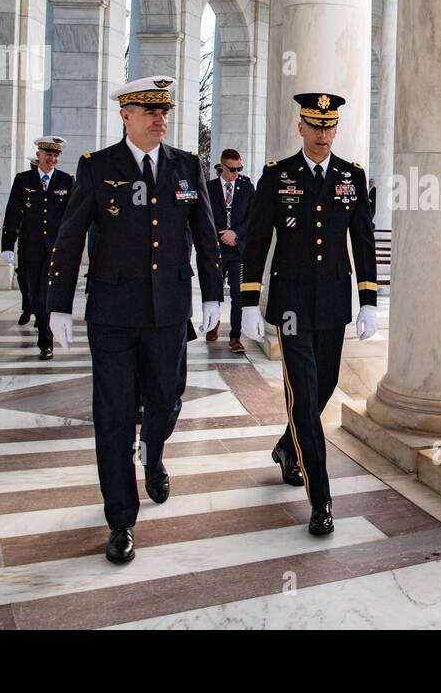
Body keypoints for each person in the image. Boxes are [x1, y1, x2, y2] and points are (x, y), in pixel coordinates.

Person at [46, 76, 223, 564]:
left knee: (166, 400)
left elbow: (205, 235)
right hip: (112, 315)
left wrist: (213, 295)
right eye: (149, 111)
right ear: (125, 115)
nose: (160, 119)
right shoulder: (98, 167)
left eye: (164, 111)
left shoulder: (187, 167)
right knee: (114, 417)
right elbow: (69, 235)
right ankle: (120, 519)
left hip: (168, 312)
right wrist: (57, 303)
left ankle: (156, 452)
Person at [239, 92, 377, 535]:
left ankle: (286, 447)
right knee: (302, 392)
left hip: (334, 302)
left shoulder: (350, 176)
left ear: (336, 129)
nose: (322, 134)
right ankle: (321, 499)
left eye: (329, 126)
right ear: (300, 127)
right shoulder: (277, 176)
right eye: (315, 126)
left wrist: (368, 298)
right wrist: (246, 301)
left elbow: (364, 240)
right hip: (293, 304)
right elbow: (257, 239)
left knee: (326, 385)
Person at [1, 137, 73, 359]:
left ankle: (46, 342)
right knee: (33, 296)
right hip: (30, 248)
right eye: (48, 155)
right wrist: (7, 244)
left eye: (55, 155)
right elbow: (13, 212)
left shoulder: (66, 181)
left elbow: (73, 217)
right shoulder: (23, 180)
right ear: (38, 155)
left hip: (55, 251)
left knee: (46, 297)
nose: (52, 159)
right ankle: (34, 315)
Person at [205, 148, 254, 350]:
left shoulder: (247, 186)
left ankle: (235, 337)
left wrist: (236, 234)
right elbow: (203, 216)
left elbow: (253, 215)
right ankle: (213, 324)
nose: (236, 173)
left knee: (238, 295)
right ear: (222, 167)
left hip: (237, 249)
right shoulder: (208, 187)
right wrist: (220, 235)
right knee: (214, 292)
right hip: (216, 249)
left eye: (239, 168)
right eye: (232, 169)